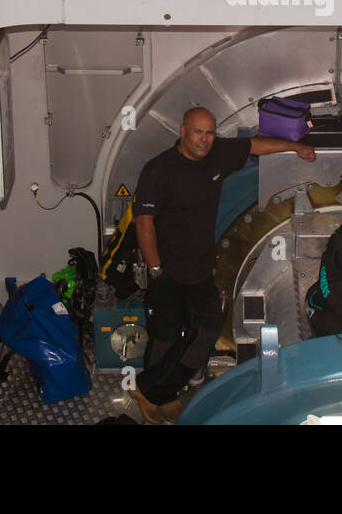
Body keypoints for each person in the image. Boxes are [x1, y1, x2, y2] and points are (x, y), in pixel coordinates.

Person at [130, 106, 316, 423]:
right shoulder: (158, 170)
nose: (204, 140)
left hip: (200, 268)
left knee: (207, 329)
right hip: (168, 269)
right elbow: (144, 223)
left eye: (210, 133)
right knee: (166, 334)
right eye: (198, 132)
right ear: (183, 131)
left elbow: (255, 145)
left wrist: (295, 147)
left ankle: (152, 391)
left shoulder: (218, 154)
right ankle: (158, 397)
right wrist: (156, 268)